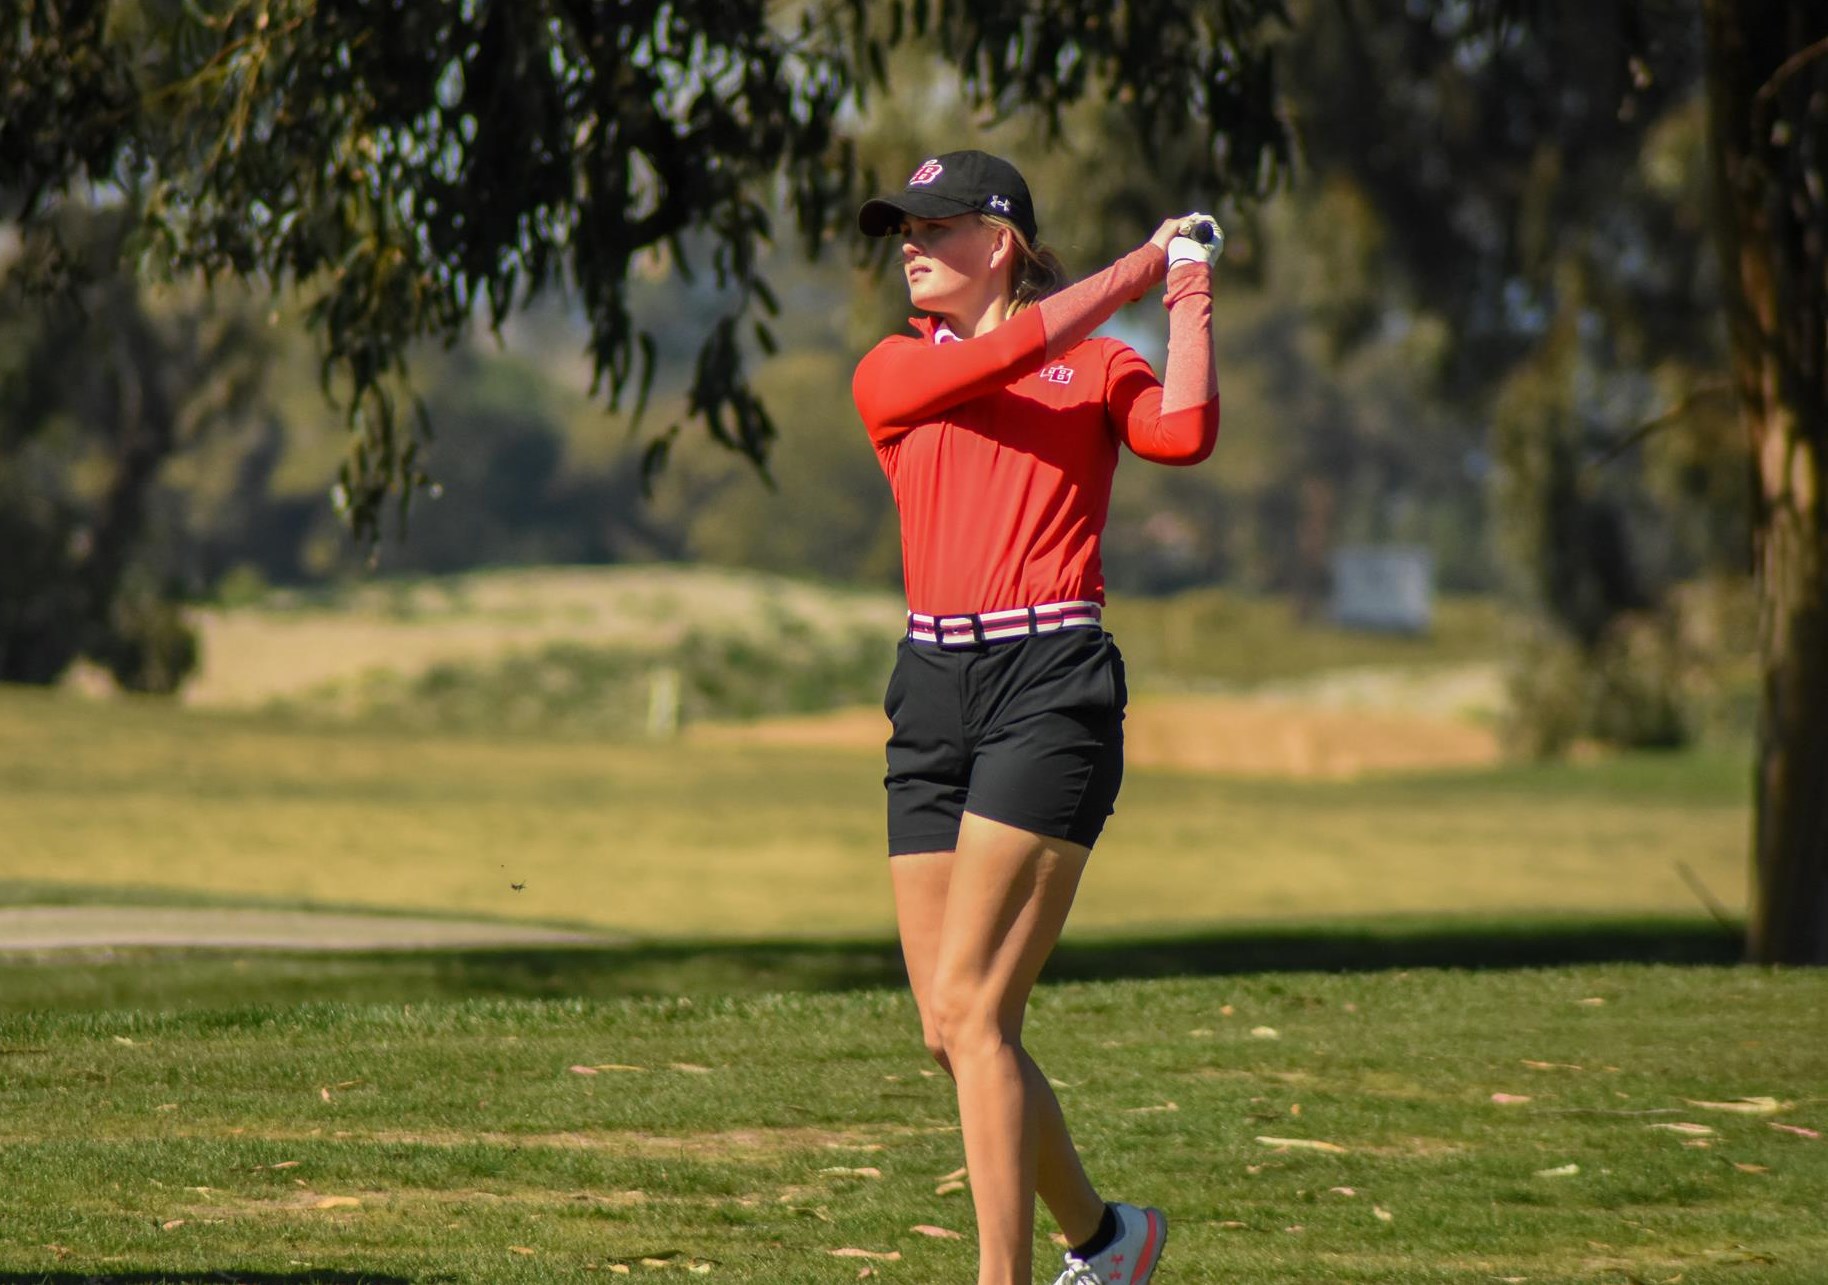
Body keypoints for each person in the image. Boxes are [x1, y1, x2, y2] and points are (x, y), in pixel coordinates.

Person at [850, 149, 1222, 1285]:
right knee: (950, 1028)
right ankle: (1110, 1243)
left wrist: (1188, 287)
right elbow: (1015, 348)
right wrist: (1137, 261)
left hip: (1049, 685)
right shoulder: (890, 373)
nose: (909, 245)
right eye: (902, 229)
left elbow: (1185, 431)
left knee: (971, 1012)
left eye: (935, 225)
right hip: (930, 694)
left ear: (998, 242)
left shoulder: (1101, 369)